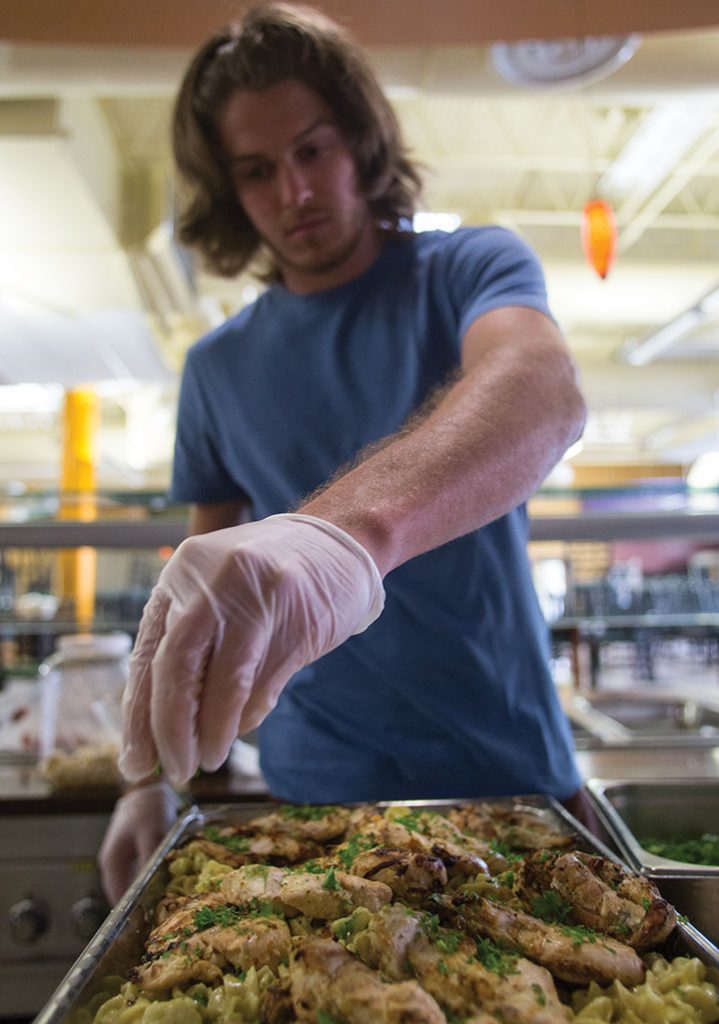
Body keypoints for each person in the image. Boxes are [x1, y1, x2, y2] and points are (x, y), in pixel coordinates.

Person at [99, 1, 589, 904]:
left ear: (359, 143)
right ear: (228, 191)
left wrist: (340, 536)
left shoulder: (469, 270)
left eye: (312, 149)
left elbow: (541, 387)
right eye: (255, 170)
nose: (294, 192)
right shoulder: (216, 369)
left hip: (508, 773)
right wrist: (147, 779)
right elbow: (198, 588)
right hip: (313, 794)